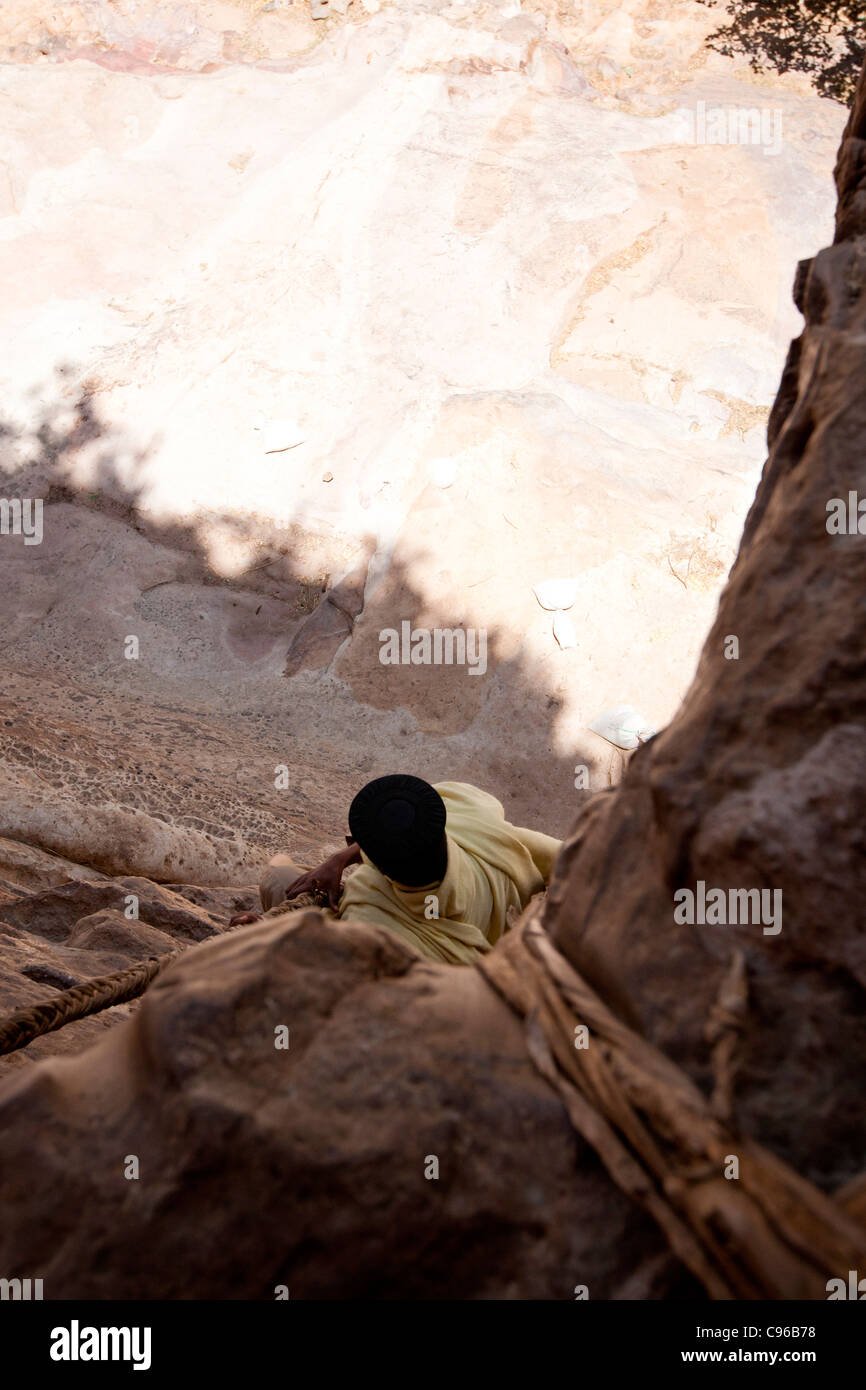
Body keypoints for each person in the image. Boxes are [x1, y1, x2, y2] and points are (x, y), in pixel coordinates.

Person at [236, 775, 562, 965]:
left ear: (377, 864)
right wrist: (341, 858)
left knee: (278, 876)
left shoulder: (367, 911)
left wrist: (267, 931)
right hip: (498, 927)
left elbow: (324, 952)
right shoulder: (474, 819)